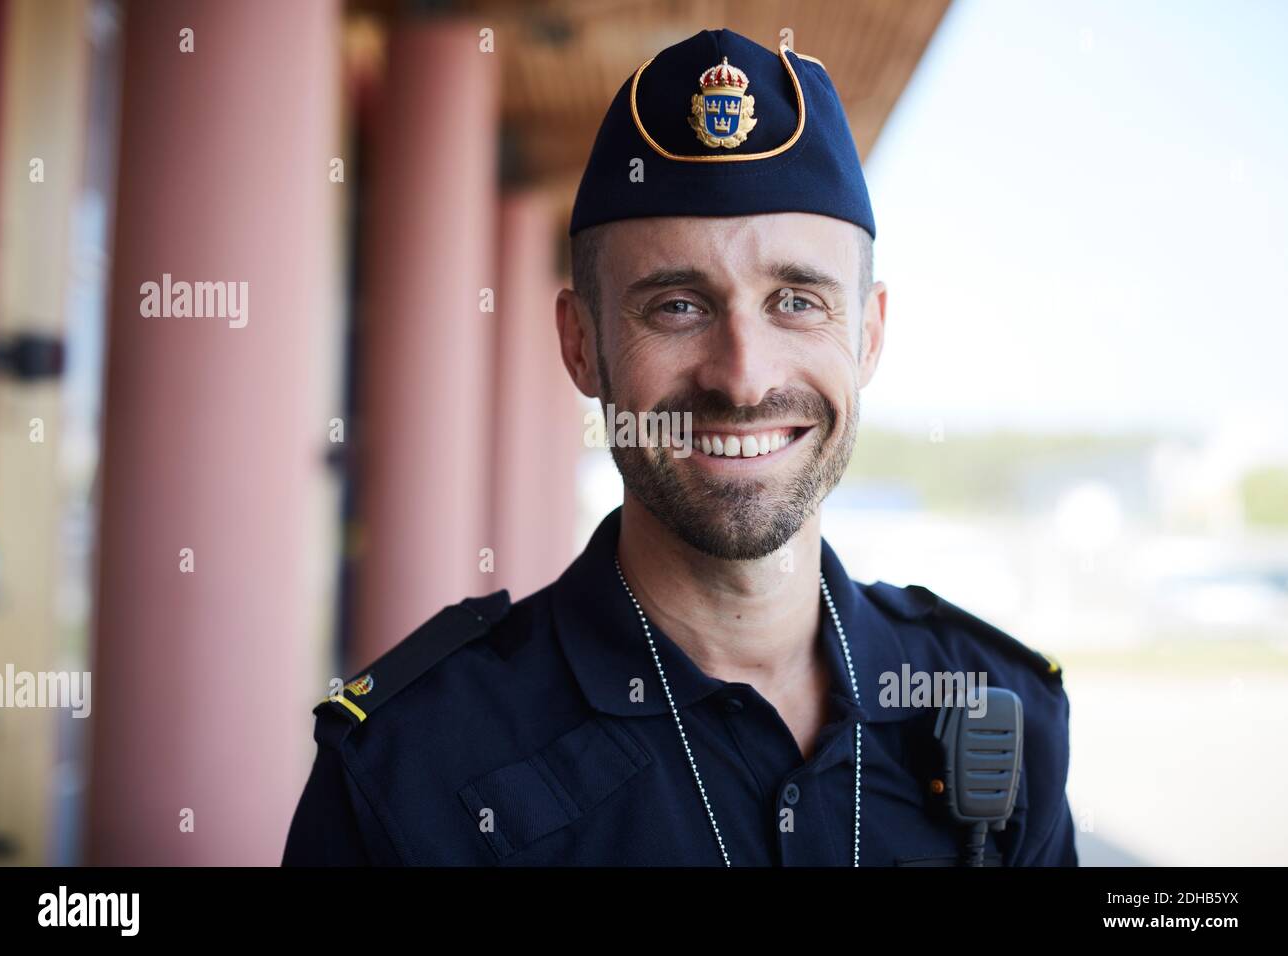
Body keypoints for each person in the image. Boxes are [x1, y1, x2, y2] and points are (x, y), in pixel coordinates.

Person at [282, 27, 1077, 867]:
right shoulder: (406, 768)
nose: (742, 379)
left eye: (797, 301)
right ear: (581, 344)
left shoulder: (998, 708)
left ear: (869, 336)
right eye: (677, 306)